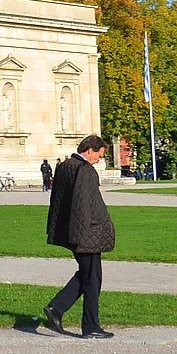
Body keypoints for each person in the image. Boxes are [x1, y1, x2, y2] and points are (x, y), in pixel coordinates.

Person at [42, 135, 115, 340]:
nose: (98, 160)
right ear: (89, 150)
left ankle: (56, 308)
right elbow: (84, 205)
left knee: (87, 274)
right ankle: (90, 325)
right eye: (98, 156)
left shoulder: (65, 166)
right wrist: (85, 234)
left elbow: (57, 201)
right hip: (86, 233)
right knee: (93, 279)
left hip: (71, 230)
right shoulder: (84, 170)